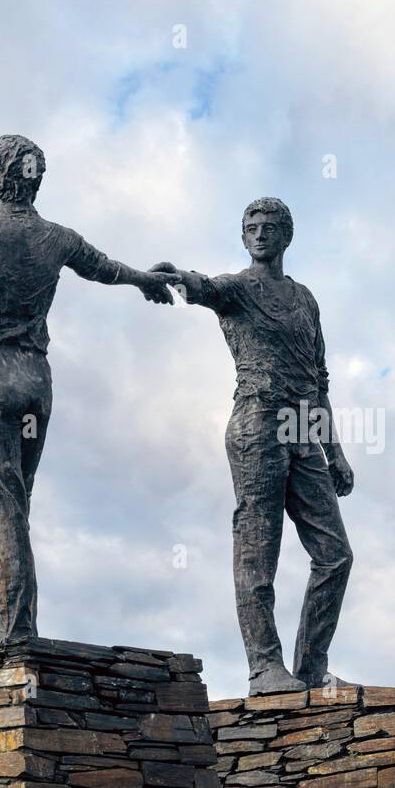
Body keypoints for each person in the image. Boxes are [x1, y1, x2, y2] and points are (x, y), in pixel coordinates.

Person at [0, 134, 179, 645]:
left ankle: (15, 631)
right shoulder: (57, 238)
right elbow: (104, 267)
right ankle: (20, 624)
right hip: (37, 383)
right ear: (34, 177)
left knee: (2, 508)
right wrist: (143, 280)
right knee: (17, 503)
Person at [153, 198, 354, 695]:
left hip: (303, 430)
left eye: (270, 227)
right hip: (257, 424)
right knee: (258, 553)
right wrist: (176, 277)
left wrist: (336, 452)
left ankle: (310, 668)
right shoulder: (240, 289)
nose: (260, 234)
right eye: (251, 227)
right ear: (243, 237)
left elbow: (319, 377)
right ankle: (265, 667)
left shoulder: (306, 299)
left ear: (286, 236)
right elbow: (205, 288)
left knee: (335, 554)